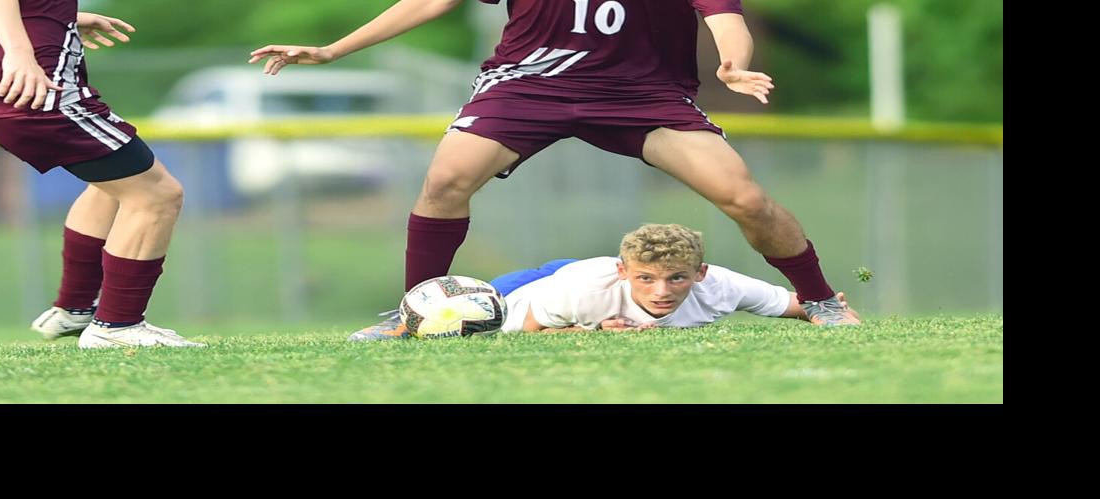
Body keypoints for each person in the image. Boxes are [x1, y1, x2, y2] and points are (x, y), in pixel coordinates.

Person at [248, 0, 862, 341]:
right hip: (527, 85)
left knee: (747, 199)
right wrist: (330, 50)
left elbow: (724, 16)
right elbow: (431, 0)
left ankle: (819, 298)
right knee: (444, 183)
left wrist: (731, 65)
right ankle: (414, 315)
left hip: (639, 92)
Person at [0, 0, 202, 348]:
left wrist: (58, 19)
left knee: (115, 186)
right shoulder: (24, 60)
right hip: (36, 86)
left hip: (5, 81)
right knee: (157, 195)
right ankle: (117, 326)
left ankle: (76, 307)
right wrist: (20, 50)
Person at [492, 223, 859, 333]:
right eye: (647, 279)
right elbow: (529, 330)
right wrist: (590, 332)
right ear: (625, 272)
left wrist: (827, 309)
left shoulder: (722, 285)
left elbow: (797, 304)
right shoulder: (582, 292)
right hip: (531, 287)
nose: (662, 292)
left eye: (677, 278)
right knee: (453, 316)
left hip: (595, 273)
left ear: (701, 273)